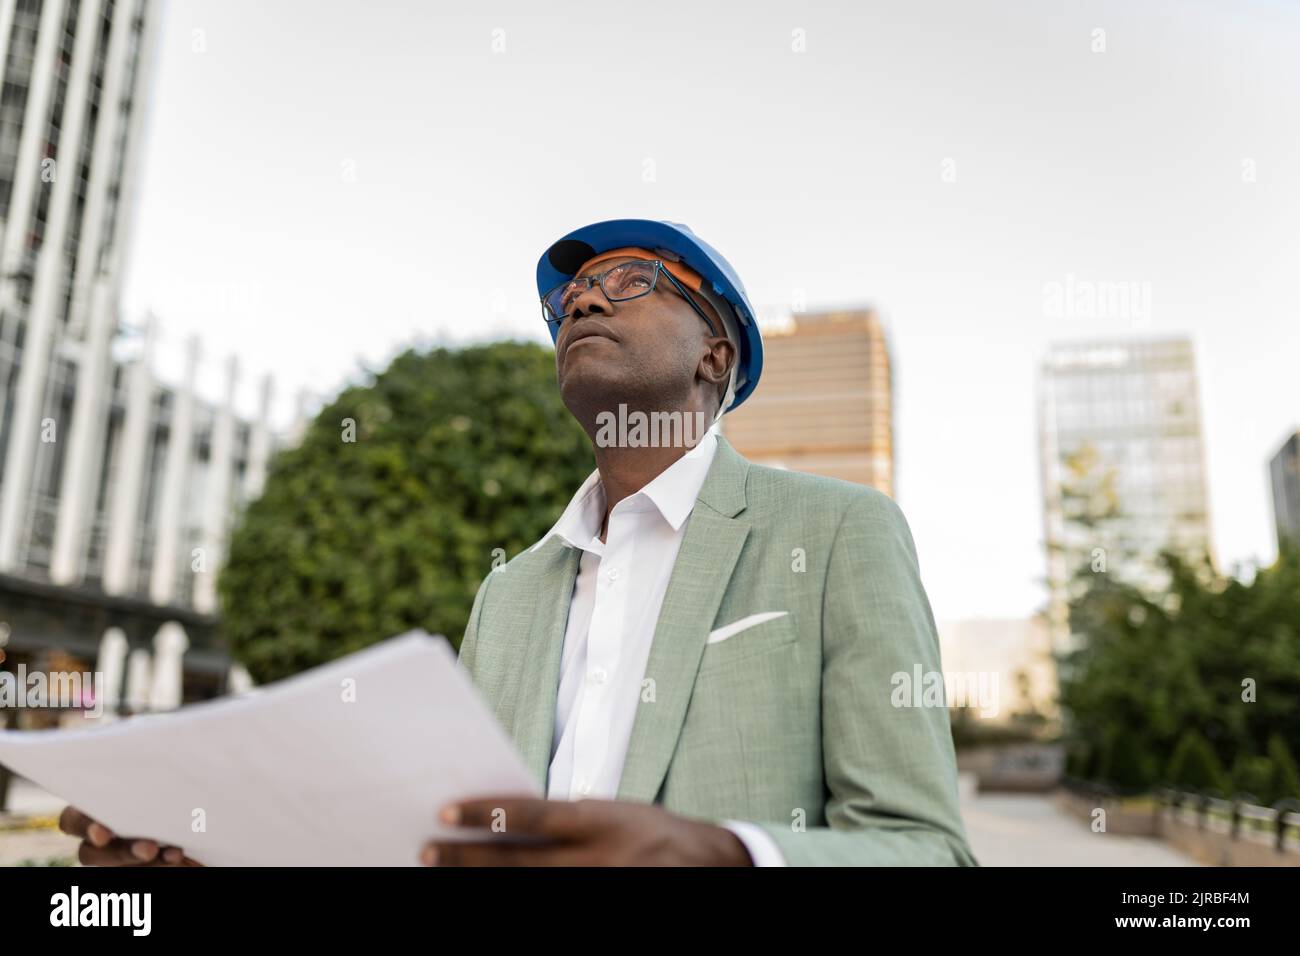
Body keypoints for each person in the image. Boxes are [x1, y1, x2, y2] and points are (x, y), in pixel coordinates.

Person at [60, 219, 975, 866]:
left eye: (629, 283)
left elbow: (927, 849)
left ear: (715, 355)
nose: (582, 303)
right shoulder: (510, 592)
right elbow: (443, 839)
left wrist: (726, 855)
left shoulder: (840, 531)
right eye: (572, 297)